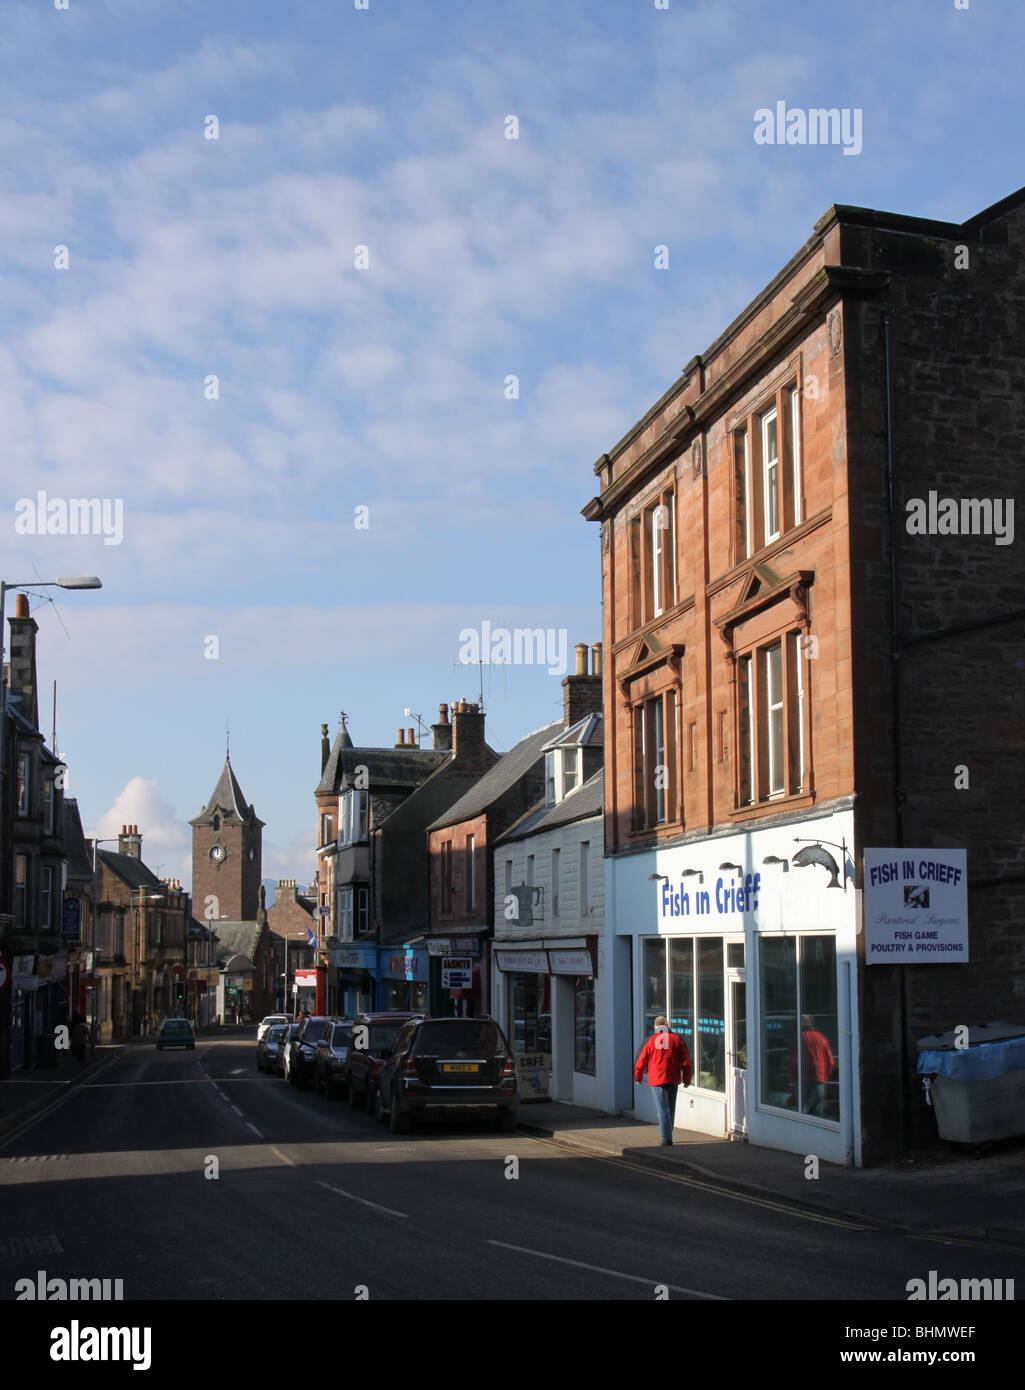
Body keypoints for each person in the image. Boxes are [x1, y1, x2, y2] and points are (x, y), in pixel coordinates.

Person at [635, 1015, 693, 1145]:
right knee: (670, 1107)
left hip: (656, 1078)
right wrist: (687, 1079)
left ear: (655, 1027)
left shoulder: (650, 1040)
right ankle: (668, 1132)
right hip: (673, 1077)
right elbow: (686, 1062)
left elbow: (641, 1061)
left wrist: (638, 1077)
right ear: (667, 1026)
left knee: (662, 1108)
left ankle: (666, 1138)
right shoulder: (677, 1040)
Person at [789, 1014, 835, 1114]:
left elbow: (794, 1061)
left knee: (802, 1107)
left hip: (802, 1077)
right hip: (819, 1076)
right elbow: (830, 1061)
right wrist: (825, 1075)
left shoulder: (799, 1037)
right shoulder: (821, 1037)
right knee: (817, 1105)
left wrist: (792, 1080)